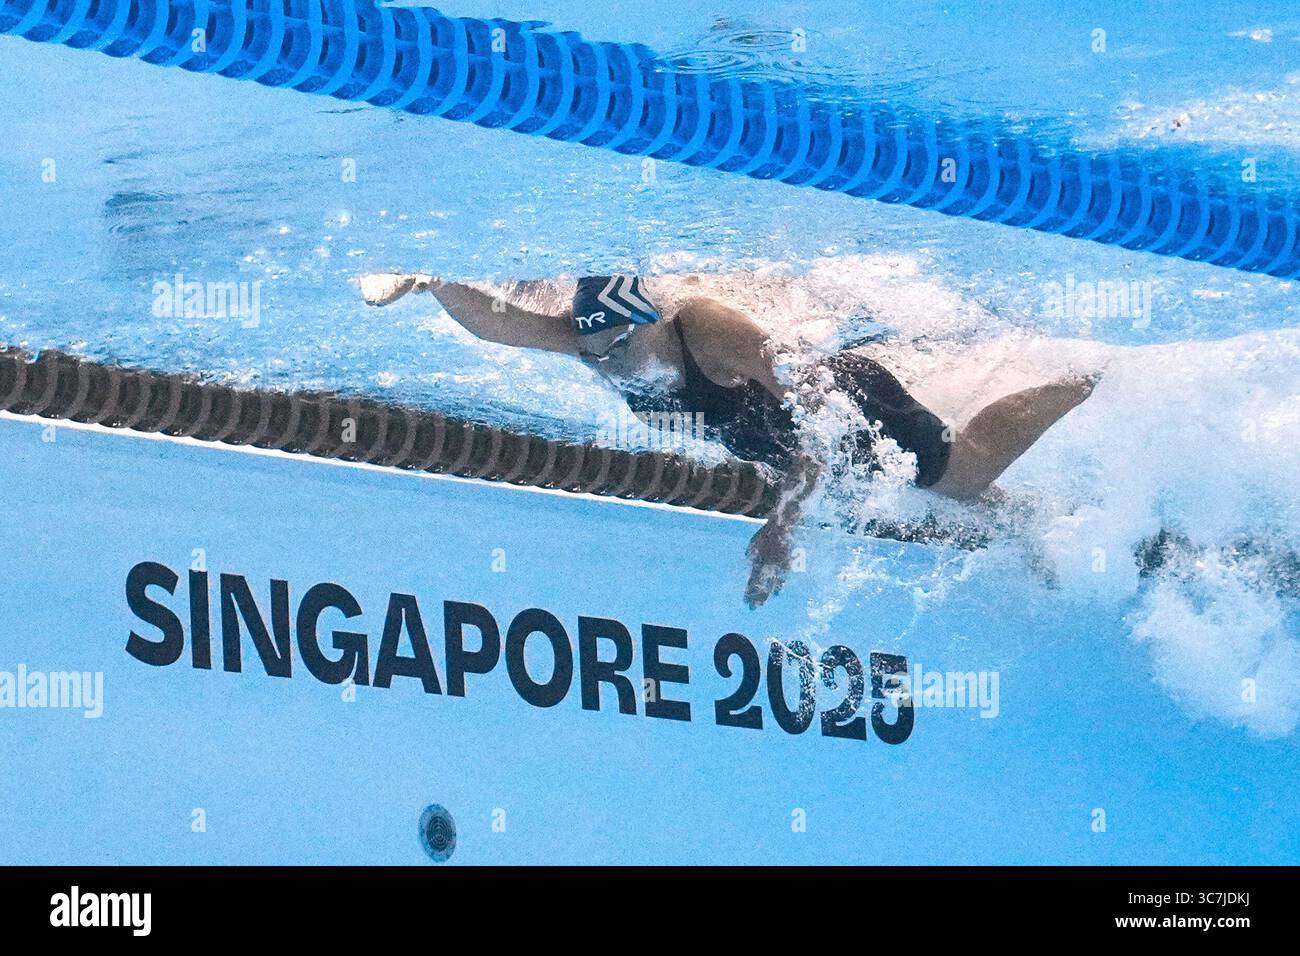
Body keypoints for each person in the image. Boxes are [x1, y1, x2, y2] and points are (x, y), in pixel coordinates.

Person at [361, 271, 1097, 607]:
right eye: (600, 350)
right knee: (967, 506)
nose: (612, 362)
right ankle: (1052, 525)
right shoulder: (591, 339)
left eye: (623, 345)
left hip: (832, 400)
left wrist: (780, 529)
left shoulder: (710, 332)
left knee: (953, 477)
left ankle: (1088, 375)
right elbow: (497, 321)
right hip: (773, 436)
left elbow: (818, 430)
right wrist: (424, 279)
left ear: (653, 318)